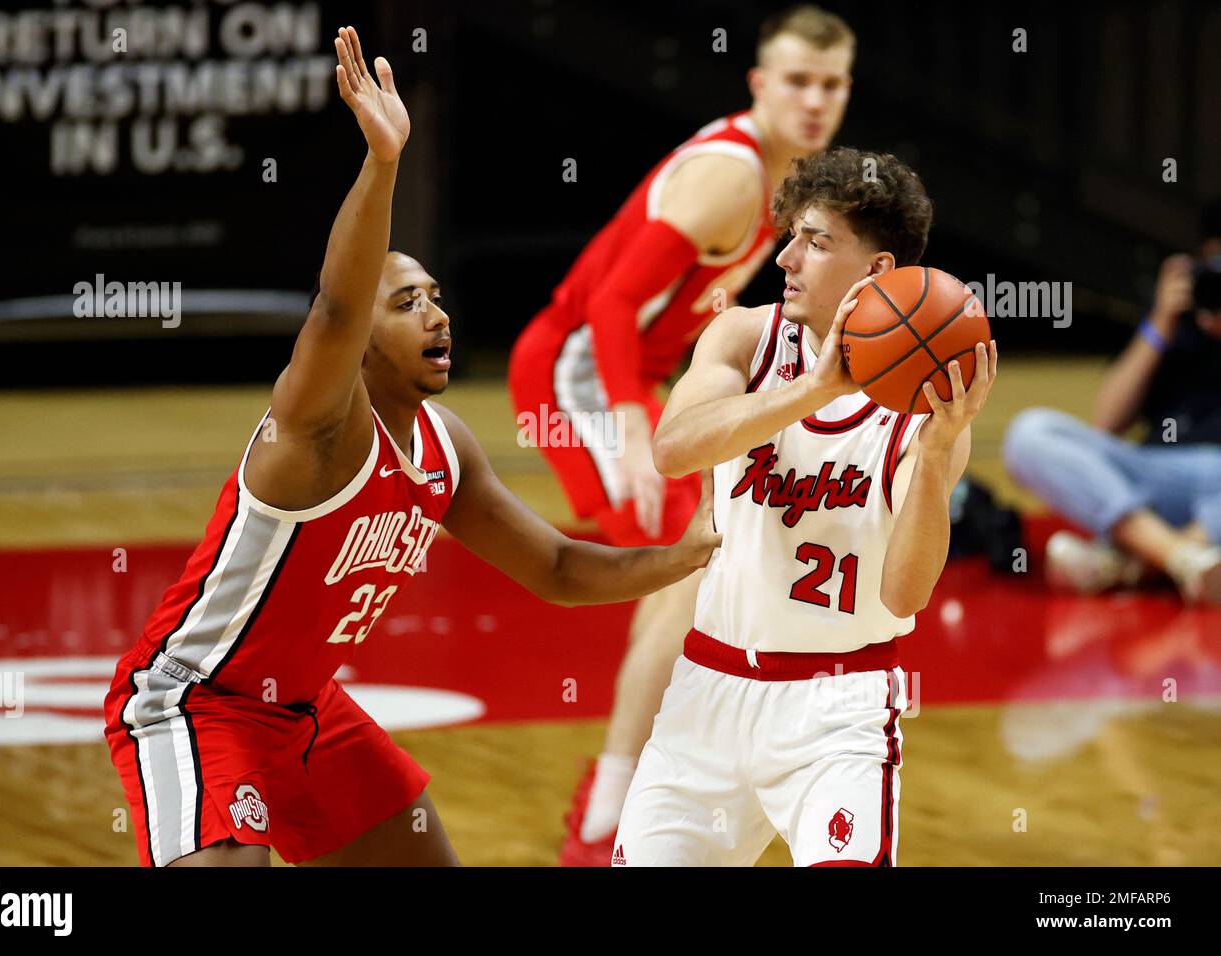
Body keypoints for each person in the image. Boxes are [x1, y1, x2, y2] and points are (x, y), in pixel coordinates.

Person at [103, 26, 720, 868]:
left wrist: (690, 557)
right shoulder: (316, 430)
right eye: (405, 302)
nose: (436, 313)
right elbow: (333, 307)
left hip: (309, 711)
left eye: (436, 295)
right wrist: (383, 162)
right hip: (201, 703)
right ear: (362, 339)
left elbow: (559, 569)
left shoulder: (444, 445)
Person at [507, 4, 857, 865]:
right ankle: (606, 824)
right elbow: (613, 304)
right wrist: (631, 424)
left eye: (832, 83)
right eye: (798, 81)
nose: (815, 99)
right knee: (692, 564)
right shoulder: (732, 177)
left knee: (686, 572)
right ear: (759, 84)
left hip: (637, 377)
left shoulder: (795, 174)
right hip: (579, 374)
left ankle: (615, 804)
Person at [612, 147, 998, 866]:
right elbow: (675, 449)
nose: (786, 257)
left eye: (816, 242)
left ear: (878, 273)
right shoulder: (741, 338)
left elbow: (906, 594)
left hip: (838, 711)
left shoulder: (928, 414)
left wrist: (941, 452)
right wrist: (814, 388)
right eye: (791, 235)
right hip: (709, 692)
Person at [1002, 204, 1221, 604]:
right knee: (1028, 434)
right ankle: (1177, 558)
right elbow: (1105, 421)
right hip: (1159, 476)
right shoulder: (1173, 323)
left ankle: (1133, 560)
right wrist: (1160, 323)